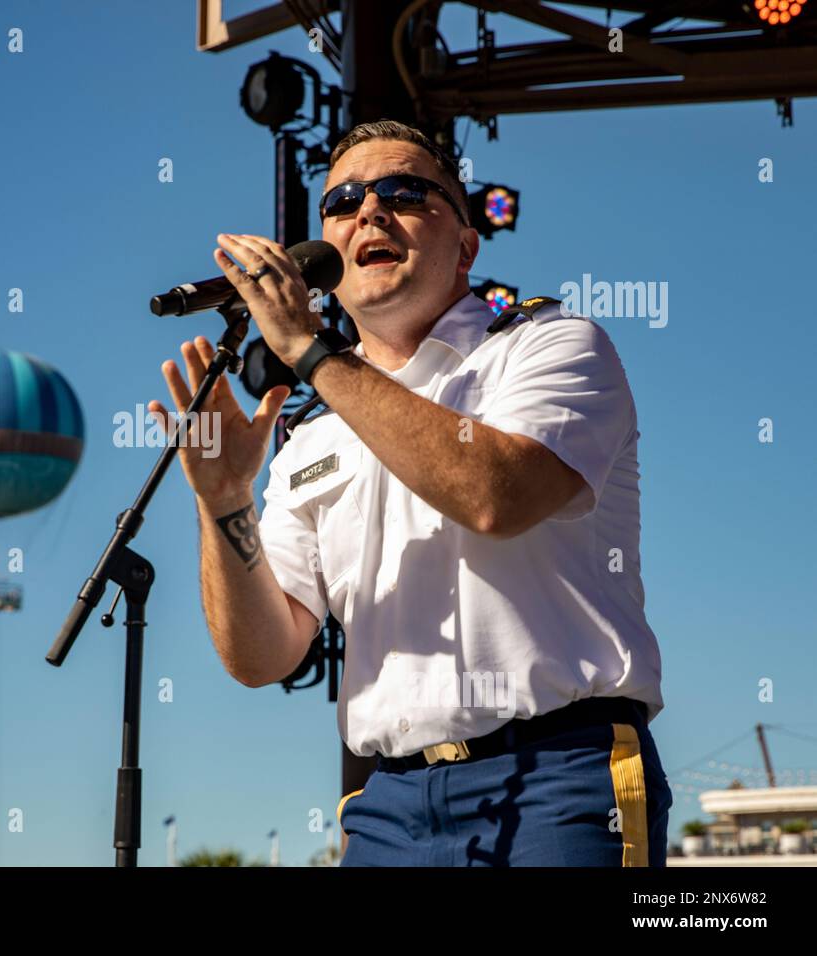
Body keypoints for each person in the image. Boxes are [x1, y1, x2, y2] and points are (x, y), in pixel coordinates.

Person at [148, 119, 671, 866]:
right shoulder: (314, 434)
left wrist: (310, 350)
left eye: (404, 192)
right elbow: (263, 656)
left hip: (557, 773)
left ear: (465, 244)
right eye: (345, 200)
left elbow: (497, 497)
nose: (369, 211)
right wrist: (224, 497)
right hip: (389, 804)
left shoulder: (549, 345)